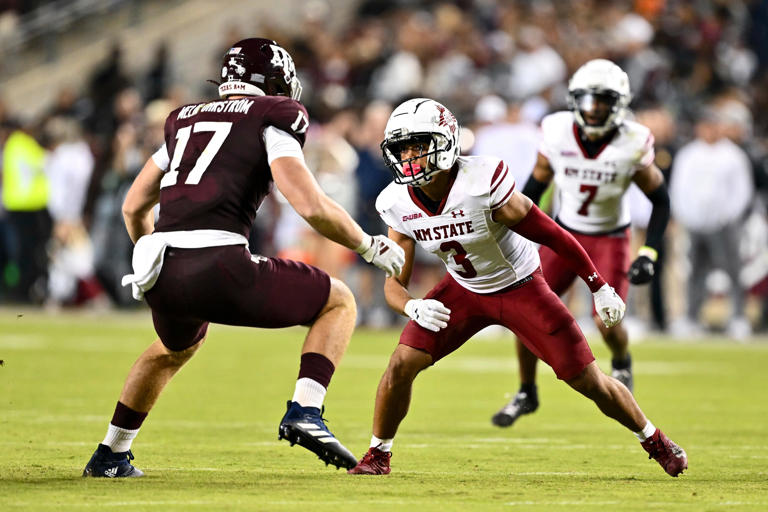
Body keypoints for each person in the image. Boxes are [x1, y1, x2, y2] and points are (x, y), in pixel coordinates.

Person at [82, 38, 405, 478]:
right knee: (339, 301)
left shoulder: (184, 119)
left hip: (161, 266)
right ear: (274, 82)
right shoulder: (274, 114)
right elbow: (309, 204)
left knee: (172, 349)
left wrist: (153, 265)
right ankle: (306, 411)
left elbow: (133, 206)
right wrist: (368, 245)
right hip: (220, 261)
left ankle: (110, 454)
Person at [346, 98, 686, 477]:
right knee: (401, 363)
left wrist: (598, 285)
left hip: (521, 287)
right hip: (463, 290)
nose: (409, 157)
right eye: (402, 149)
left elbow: (554, 235)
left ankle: (655, 439)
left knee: (587, 380)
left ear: (446, 141)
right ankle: (378, 455)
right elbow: (394, 283)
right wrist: (412, 306)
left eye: (418, 146)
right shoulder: (396, 203)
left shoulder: (480, 182)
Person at [491, 59, 671, 428]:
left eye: (602, 101)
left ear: (618, 104)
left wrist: (648, 251)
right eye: (587, 100)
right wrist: (510, 229)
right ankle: (526, 390)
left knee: (607, 321)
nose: (593, 109)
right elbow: (536, 184)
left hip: (610, 237)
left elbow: (661, 199)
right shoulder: (557, 131)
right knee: (529, 312)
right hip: (563, 234)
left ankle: (621, 359)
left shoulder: (632, 141)